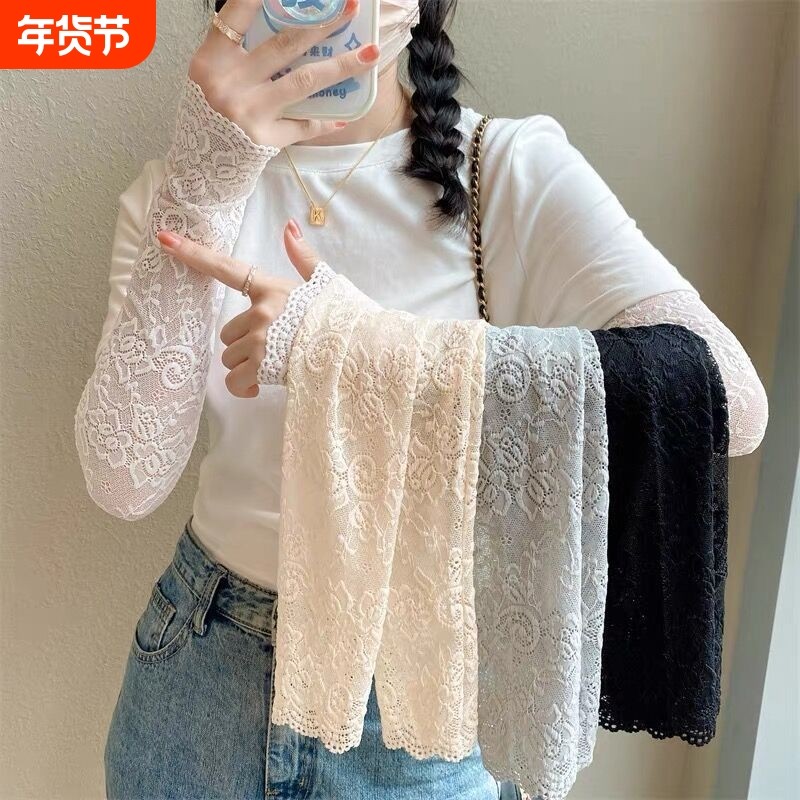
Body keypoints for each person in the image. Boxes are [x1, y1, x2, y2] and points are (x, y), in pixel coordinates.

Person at [73, 0, 768, 797]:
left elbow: (728, 401)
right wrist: (205, 177)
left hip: (419, 698)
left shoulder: (507, 170)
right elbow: (123, 482)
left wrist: (343, 343)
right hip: (201, 669)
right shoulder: (186, 190)